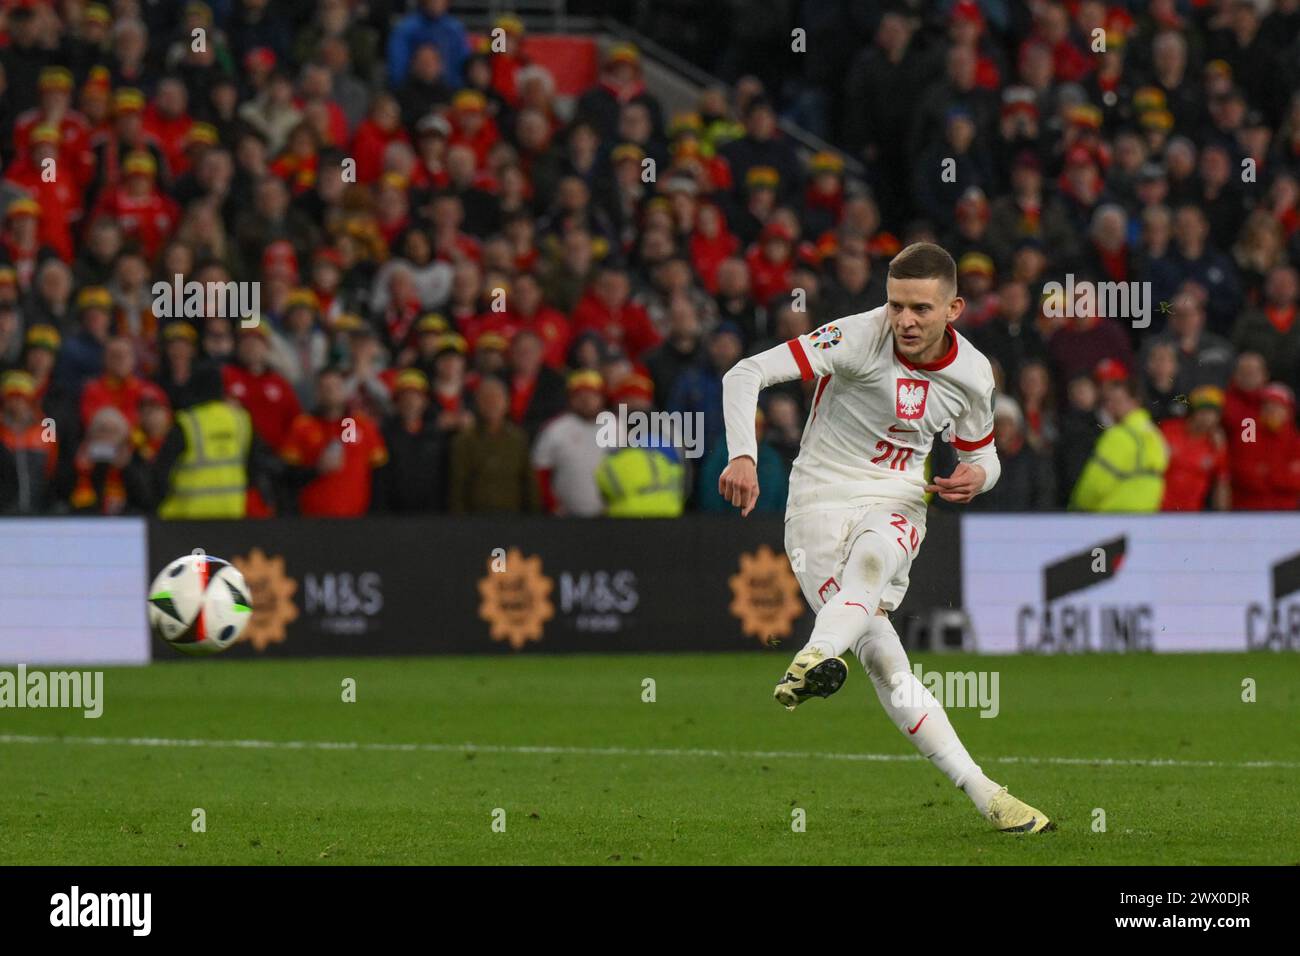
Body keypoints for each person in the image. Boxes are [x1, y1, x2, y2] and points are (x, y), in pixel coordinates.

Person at [718, 242, 1052, 834]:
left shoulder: (973, 375)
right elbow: (745, 374)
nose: (904, 320)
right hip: (817, 499)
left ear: (954, 307)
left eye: (921, 308)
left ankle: (814, 657)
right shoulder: (853, 337)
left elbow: (985, 455)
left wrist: (979, 476)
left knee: (875, 559)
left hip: (897, 494)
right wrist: (742, 454)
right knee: (886, 663)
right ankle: (986, 794)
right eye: (896, 305)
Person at [1068, 366, 1170, 513]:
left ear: (1135, 402)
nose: (1111, 407)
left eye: (1117, 401)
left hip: (1113, 519)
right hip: (1146, 518)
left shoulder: (1119, 435)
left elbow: (1096, 484)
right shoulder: (1155, 435)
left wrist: (1076, 509)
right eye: (1109, 402)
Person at [1159, 385, 1231, 512]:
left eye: (1212, 413)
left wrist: (1222, 518)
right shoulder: (1168, 430)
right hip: (1158, 511)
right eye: (1202, 412)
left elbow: (1221, 483)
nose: (1207, 418)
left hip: (1191, 516)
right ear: (1192, 412)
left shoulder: (1217, 445)